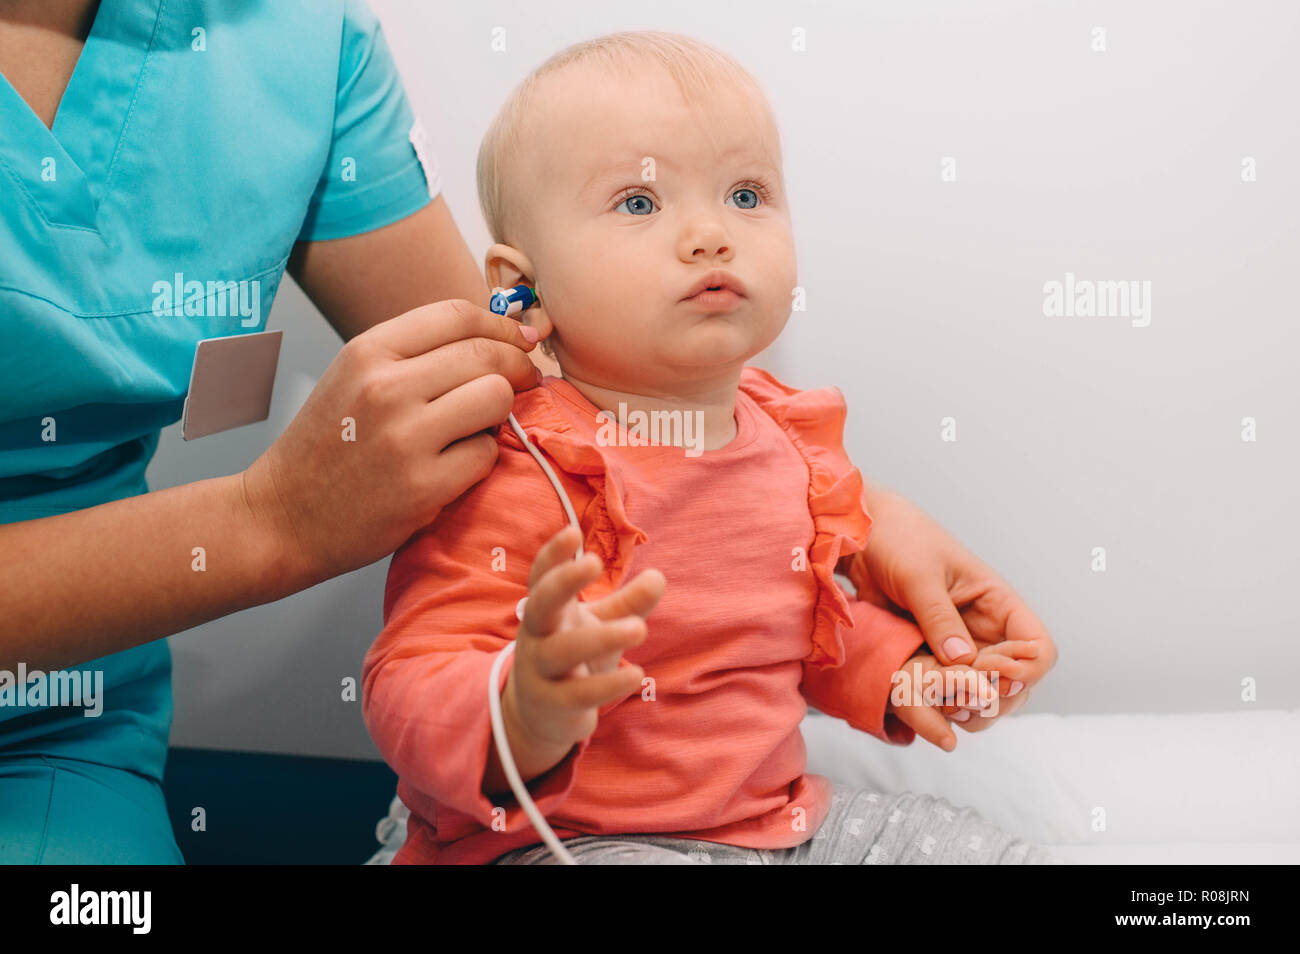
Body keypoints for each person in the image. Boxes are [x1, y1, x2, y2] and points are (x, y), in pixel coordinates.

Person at [360, 31, 1058, 865]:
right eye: (640, 203)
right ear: (524, 287)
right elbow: (405, 677)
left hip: (773, 830)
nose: (709, 234)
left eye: (746, 194)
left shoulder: (790, 444)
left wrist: (913, 675)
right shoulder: (514, 460)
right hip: (567, 842)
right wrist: (522, 708)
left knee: (987, 854)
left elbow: (793, 639)